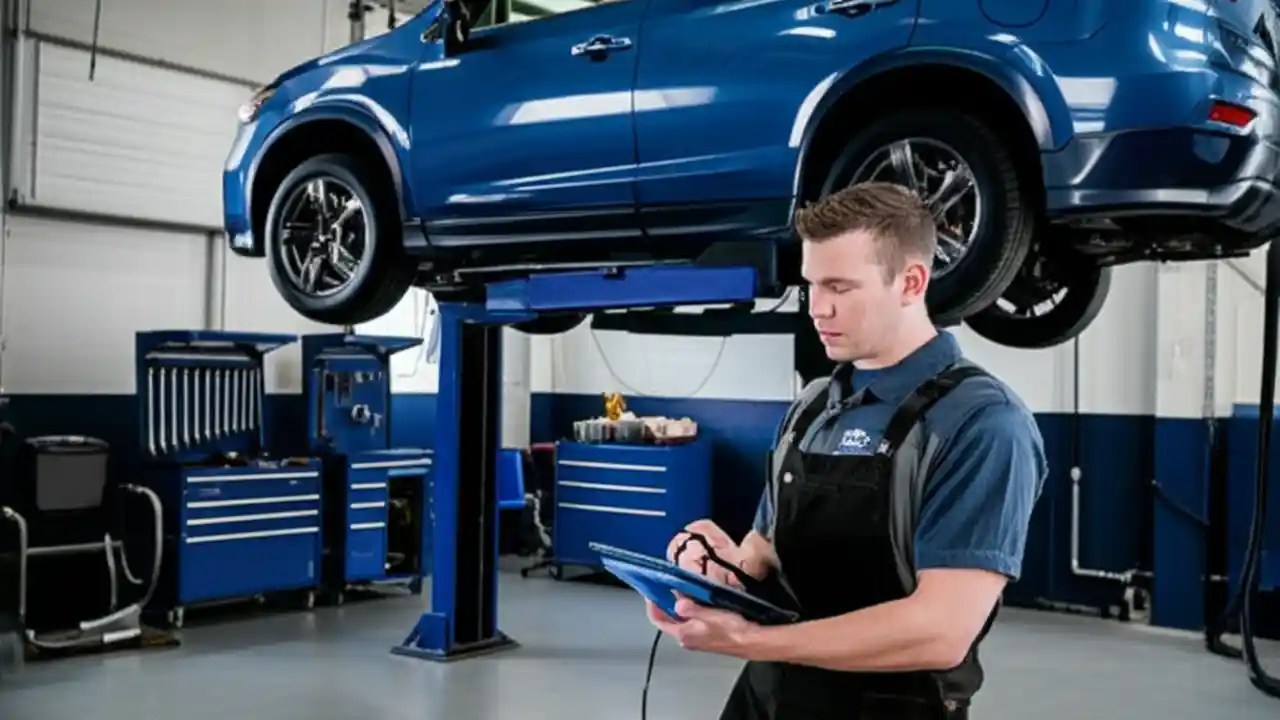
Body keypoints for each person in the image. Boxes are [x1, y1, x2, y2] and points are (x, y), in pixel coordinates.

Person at [645, 181, 1048, 719]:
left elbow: (940, 632)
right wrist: (708, 567)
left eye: (840, 287)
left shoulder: (982, 421)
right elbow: (762, 559)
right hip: (767, 699)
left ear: (911, 282)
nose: (818, 308)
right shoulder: (812, 407)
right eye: (812, 285)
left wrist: (749, 642)